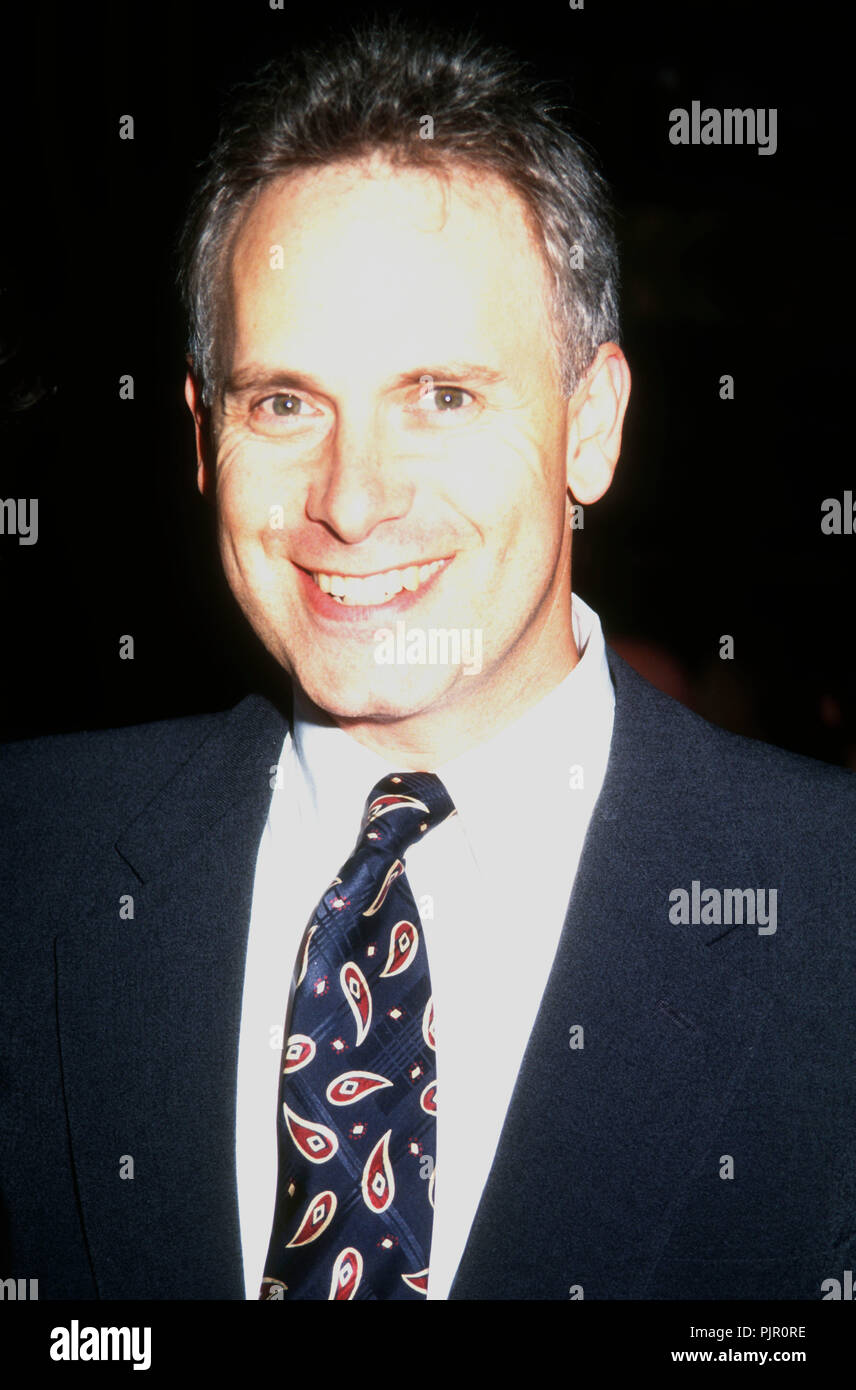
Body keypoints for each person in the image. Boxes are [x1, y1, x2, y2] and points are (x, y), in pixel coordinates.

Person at [1, 17, 854, 1302]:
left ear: (593, 430)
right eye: (283, 402)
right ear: (200, 435)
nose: (351, 499)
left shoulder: (829, 909)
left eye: (442, 397)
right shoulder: (27, 856)